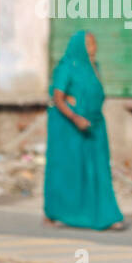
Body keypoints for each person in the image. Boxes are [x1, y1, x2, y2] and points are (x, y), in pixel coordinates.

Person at [43, 31, 124, 231]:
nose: (93, 48)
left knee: (98, 169)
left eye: (94, 44)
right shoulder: (67, 67)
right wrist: (75, 117)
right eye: (88, 44)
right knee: (67, 170)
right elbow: (58, 97)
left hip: (94, 124)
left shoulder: (95, 68)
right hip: (69, 127)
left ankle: (105, 215)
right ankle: (58, 212)